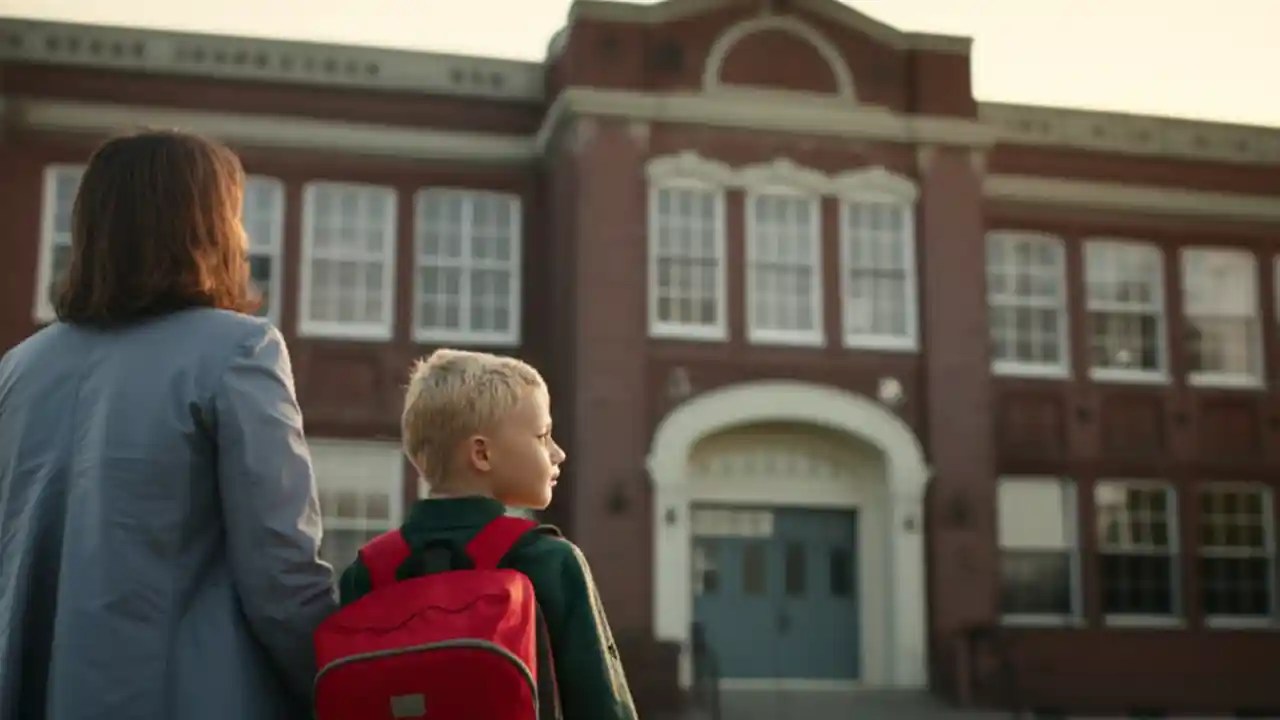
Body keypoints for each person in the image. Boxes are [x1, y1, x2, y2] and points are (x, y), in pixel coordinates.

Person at [0, 131, 337, 720]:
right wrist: (338, 685)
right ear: (204, 228)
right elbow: (282, 572)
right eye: (234, 215)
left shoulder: (20, 367)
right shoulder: (239, 350)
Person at [337, 349, 638, 720]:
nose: (558, 453)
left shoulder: (367, 573)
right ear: (482, 454)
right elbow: (602, 707)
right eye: (542, 436)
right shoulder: (550, 562)